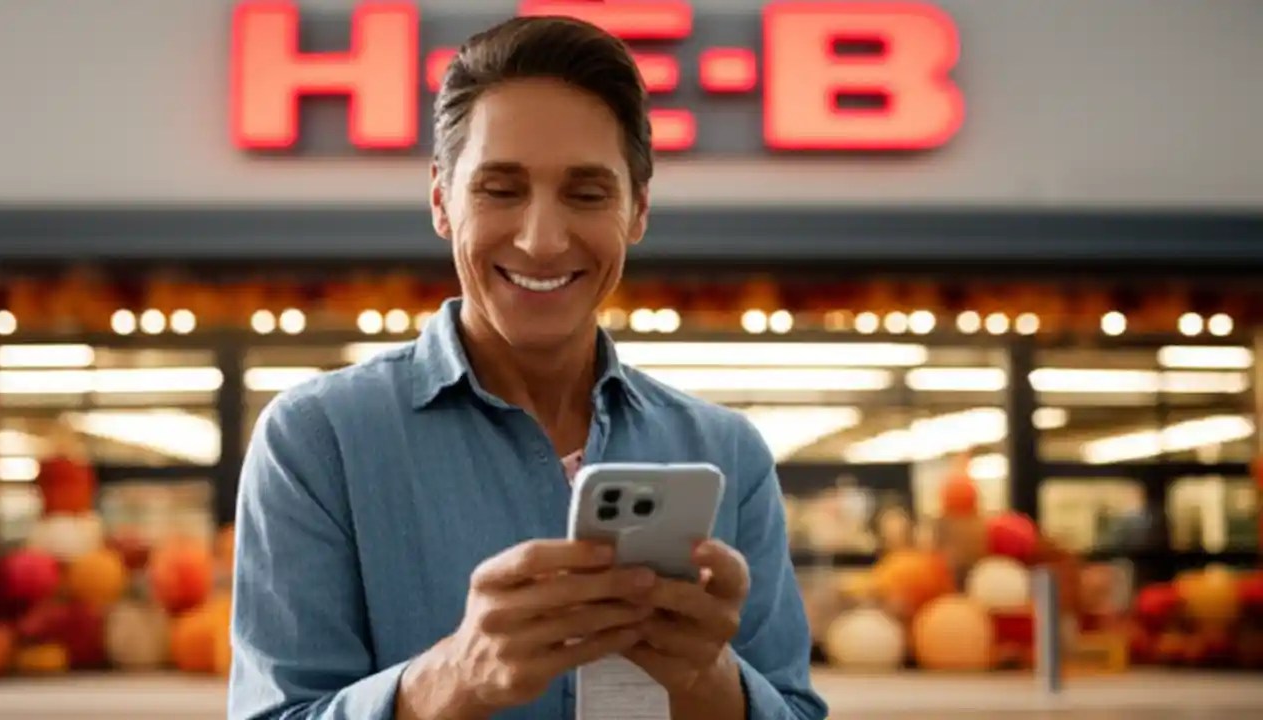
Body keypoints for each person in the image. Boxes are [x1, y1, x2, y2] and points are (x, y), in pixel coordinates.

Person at [228, 15, 827, 720]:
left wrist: (706, 680)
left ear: (638, 210)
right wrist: (452, 679)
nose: (542, 240)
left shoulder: (728, 454)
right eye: (500, 189)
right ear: (441, 201)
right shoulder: (315, 441)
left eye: (587, 193)